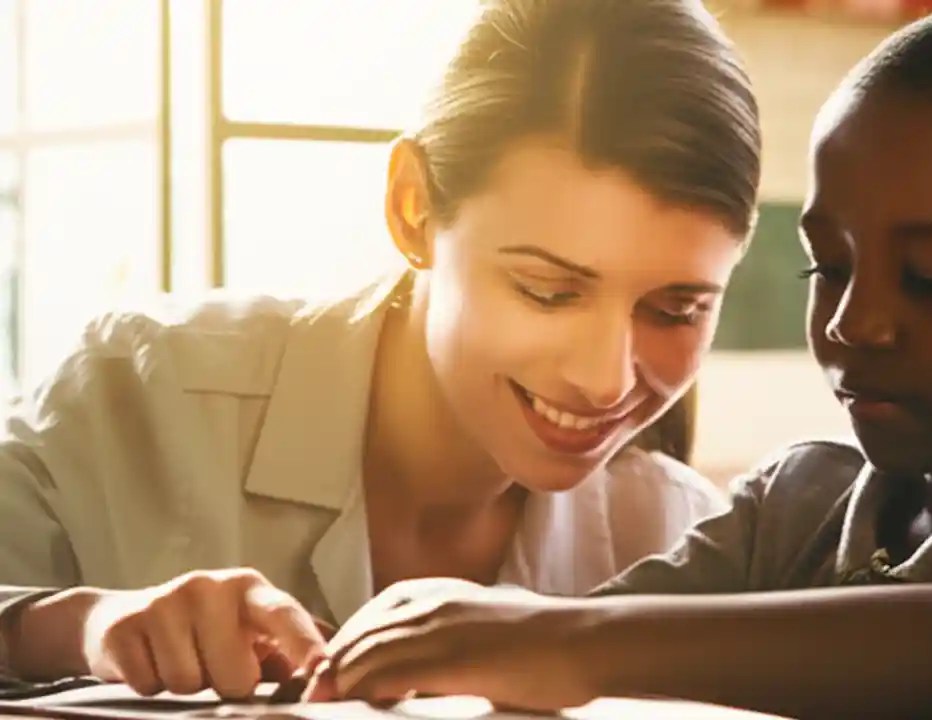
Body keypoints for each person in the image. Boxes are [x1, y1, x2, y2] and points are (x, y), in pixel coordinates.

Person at [300, 2, 932, 717]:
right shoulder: (796, 507)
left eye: (929, 277)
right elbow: (547, 660)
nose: (852, 323)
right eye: (829, 265)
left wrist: (549, 636)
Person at [0, 0, 762, 700]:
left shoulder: (677, 536)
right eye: (546, 290)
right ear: (412, 208)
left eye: (675, 309)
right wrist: (76, 623)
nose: (604, 381)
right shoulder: (139, 392)